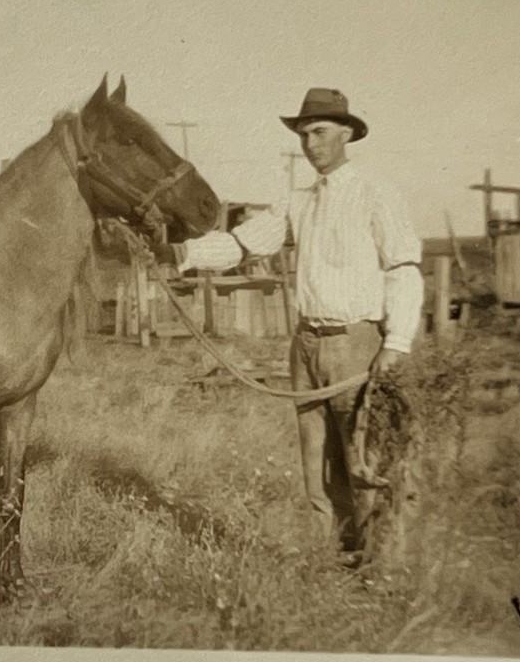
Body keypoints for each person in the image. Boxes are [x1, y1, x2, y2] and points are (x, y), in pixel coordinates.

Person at [160, 88, 424, 554]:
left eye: (319, 132)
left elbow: (403, 267)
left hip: (356, 345)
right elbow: (243, 244)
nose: (309, 143)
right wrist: (182, 254)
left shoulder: (375, 192)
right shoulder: (298, 202)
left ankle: (377, 571)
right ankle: (332, 564)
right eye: (303, 134)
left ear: (347, 133)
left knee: (363, 460)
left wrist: (396, 342)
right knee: (316, 467)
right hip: (306, 346)